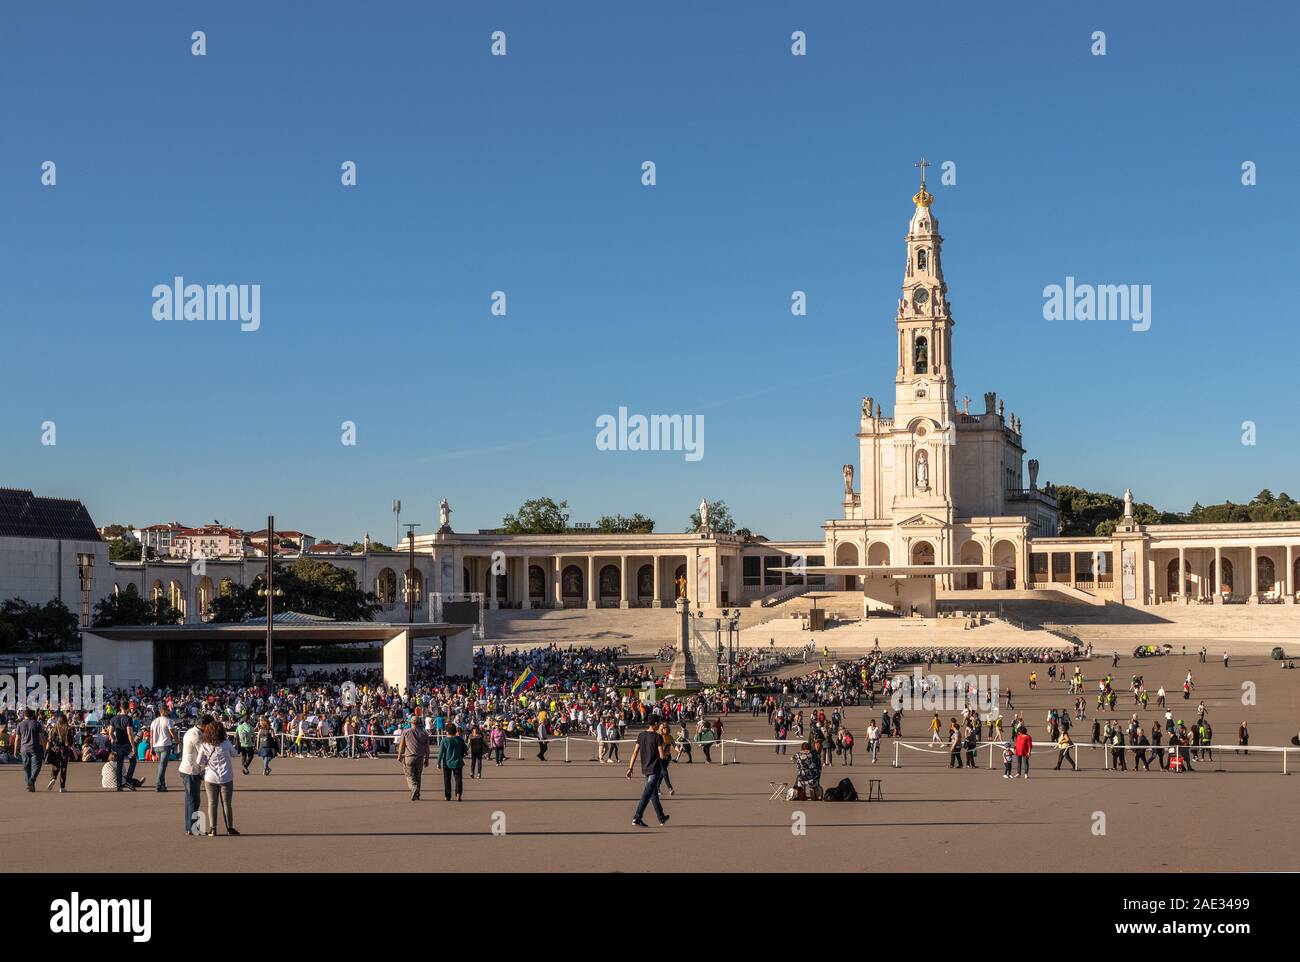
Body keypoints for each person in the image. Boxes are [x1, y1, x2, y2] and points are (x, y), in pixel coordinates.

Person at [195, 720, 238, 836]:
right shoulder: (226, 743)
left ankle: (213, 829)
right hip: (226, 776)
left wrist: (206, 762)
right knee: (227, 804)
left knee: (212, 803)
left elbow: (199, 761)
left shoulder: (204, 745)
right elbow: (235, 754)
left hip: (210, 777)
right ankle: (229, 828)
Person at [627, 722, 669, 827]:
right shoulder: (657, 737)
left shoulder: (641, 735)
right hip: (655, 769)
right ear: (654, 724)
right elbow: (662, 755)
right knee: (647, 793)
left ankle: (661, 817)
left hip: (645, 768)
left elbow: (635, 752)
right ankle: (637, 817)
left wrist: (630, 768)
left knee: (653, 793)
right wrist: (666, 752)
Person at [178, 714, 210, 835]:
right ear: (205, 725)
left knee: (190, 799)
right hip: (191, 770)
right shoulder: (196, 735)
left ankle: (190, 827)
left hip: (187, 768)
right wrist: (206, 768)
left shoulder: (191, 731)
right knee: (194, 799)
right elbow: (203, 753)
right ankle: (194, 828)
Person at [398, 717, 430, 800]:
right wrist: (427, 759)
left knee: (409, 775)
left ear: (411, 722)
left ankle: (414, 787)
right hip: (420, 757)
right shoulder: (424, 733)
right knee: (418, 776)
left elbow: (401, 745)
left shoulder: (406, 732)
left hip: (409, 757)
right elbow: (427, 748)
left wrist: (399, 755)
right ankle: (417, 794)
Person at [109, 701, 138, 791]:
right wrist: (133, 746)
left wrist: (114, 739)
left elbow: (110, 732)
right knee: (133, 761)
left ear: (120, 708)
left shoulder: (113, 719)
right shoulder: (128, 719)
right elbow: (129, 733)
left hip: (118, 744)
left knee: (119, 764)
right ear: (128, 708)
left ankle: (119, 785)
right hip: (127, 745)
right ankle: (128, 781)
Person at [15, 708, 45, 793]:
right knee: (37, 766)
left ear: (24, 715)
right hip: (35, 748)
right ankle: (32, 780)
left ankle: (29, 785)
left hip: (24, 748)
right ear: (32, 715)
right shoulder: (37, 724)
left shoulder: (20, 724)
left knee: (26, 768)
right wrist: (45, 748)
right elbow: (42, 737)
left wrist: (15, 750)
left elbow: (17, 739)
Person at [437, 723, 466, 801]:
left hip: (447, 763)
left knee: (447, 779)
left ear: (447, 731)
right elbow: (465, 749)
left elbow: (441, 753)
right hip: (458, 762)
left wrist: (438, 762)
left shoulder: (444, 740)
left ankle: (447, 796)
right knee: (458, 779)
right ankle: (458, 793)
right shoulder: (460, 739)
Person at [45, 712, 72, 792]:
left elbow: (50, 740)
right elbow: (70, 742)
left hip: (55, 750)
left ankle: (53, 778)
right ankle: (62, 787)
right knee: (64, 768)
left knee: (55, 766)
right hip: (64, 750)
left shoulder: (54, 729)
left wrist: (48, 749)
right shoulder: (68, 729)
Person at [150, 706, 176, 791]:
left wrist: (151, 748)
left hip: (156, 745)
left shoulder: (154, 722)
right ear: (164, 711)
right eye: (167, 710)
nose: (168, 712)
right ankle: (158, 785)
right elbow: (173, 733)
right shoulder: (168, 721)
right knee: (162, 766)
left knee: (162, 766)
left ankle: (163, 785)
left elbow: (151, 736)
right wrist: (179, 742)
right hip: (165, 745)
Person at [657, 721, 676, 796]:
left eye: (667, 728)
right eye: (664, 728)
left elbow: (674, 745)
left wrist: (679, 750)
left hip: (668, 757)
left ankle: (657, 787)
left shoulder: (670, 737)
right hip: (660, 757)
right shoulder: (659, 736)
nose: (666, 729)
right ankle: (670, 788)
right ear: (662, 729)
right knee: (665, 772)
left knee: (662, 774)